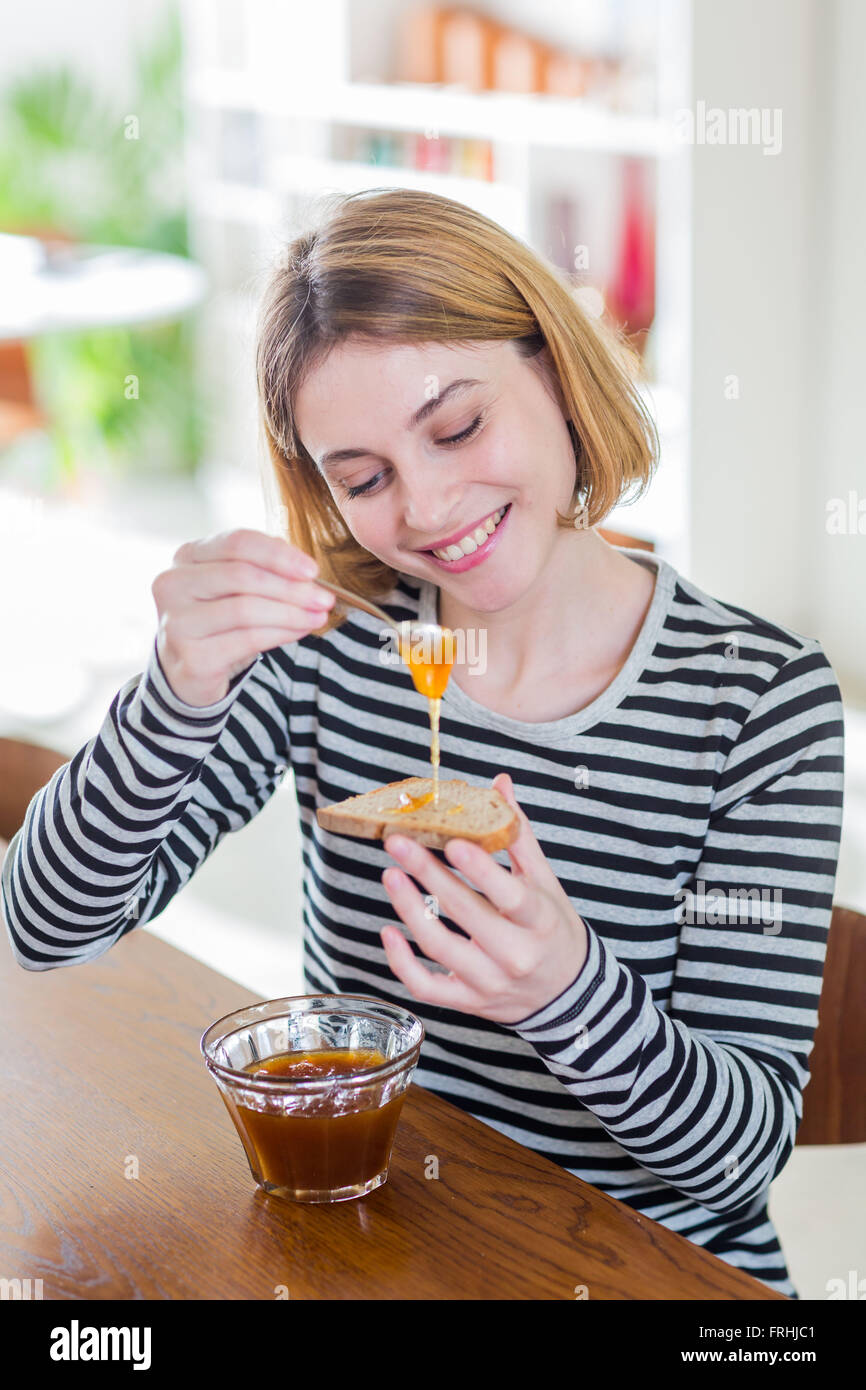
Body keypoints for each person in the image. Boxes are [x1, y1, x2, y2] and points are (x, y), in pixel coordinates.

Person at [1, 189, 844, 1299]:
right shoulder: (334, 643)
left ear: (552, 368)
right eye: (361, 476)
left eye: (454, 426)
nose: (430, 505)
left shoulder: (755, 703)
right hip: (389, 1252)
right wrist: (176, 689)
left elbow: (732, 1159)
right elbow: (44, 925)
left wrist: (562, 987)